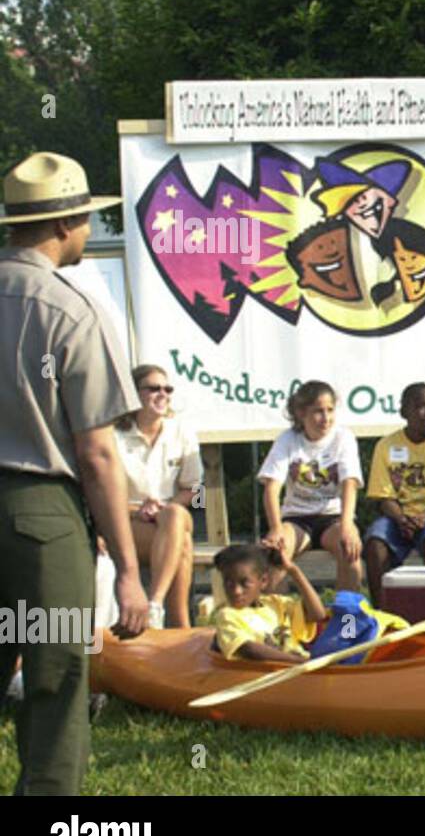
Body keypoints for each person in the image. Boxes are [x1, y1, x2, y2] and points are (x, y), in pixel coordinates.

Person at [0, 151, 149, 795]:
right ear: (65, 223)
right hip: (40, 519)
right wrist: (132, 574)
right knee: (56, 677)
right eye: (87, 218)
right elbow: (95, 456)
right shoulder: (71, 309)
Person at [113, 364, 201, 628]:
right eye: (153, 388)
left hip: (168, 515)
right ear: (133, 393)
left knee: (175, 516)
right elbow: (102, 493)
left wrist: (163, 508)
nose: (162, 394)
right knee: (182, 544)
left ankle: (154, 604)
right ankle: (179, 625)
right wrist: (137, 510)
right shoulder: (114, 435)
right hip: (126, 520)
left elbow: (196, 491)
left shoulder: (182, 431)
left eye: (167, 389)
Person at [258, 380, 364, 591]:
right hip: (297, 518)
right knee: (274, 554)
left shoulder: (344, 437)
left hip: (332, 517)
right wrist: (276, 528)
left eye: (330, 410)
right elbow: (271, 488)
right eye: (318, 411)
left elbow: (349, 484)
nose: (325, 419)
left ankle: (347, 620)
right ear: (301, 413)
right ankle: (281, 618)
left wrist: (347, 525)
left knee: (350, 551)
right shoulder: (287, 439)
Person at [363, 382, 425, 599]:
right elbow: (383, 496)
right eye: (422, 406)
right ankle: (384, 614)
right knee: (375, 543)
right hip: (397, 518)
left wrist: (424, 518)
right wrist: (402, 519)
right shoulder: (386, 445)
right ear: (404, 411)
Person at [211, 544, 328, 662]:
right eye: (229, 583)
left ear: (263, 581)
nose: (236, 591)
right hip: (277, 671)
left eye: (244, 583)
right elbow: (248, 649)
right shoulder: (227, 615)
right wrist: (297, 661)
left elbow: (318, 614)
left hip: (299, 669)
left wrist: (293, 571)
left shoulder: (277, 604)